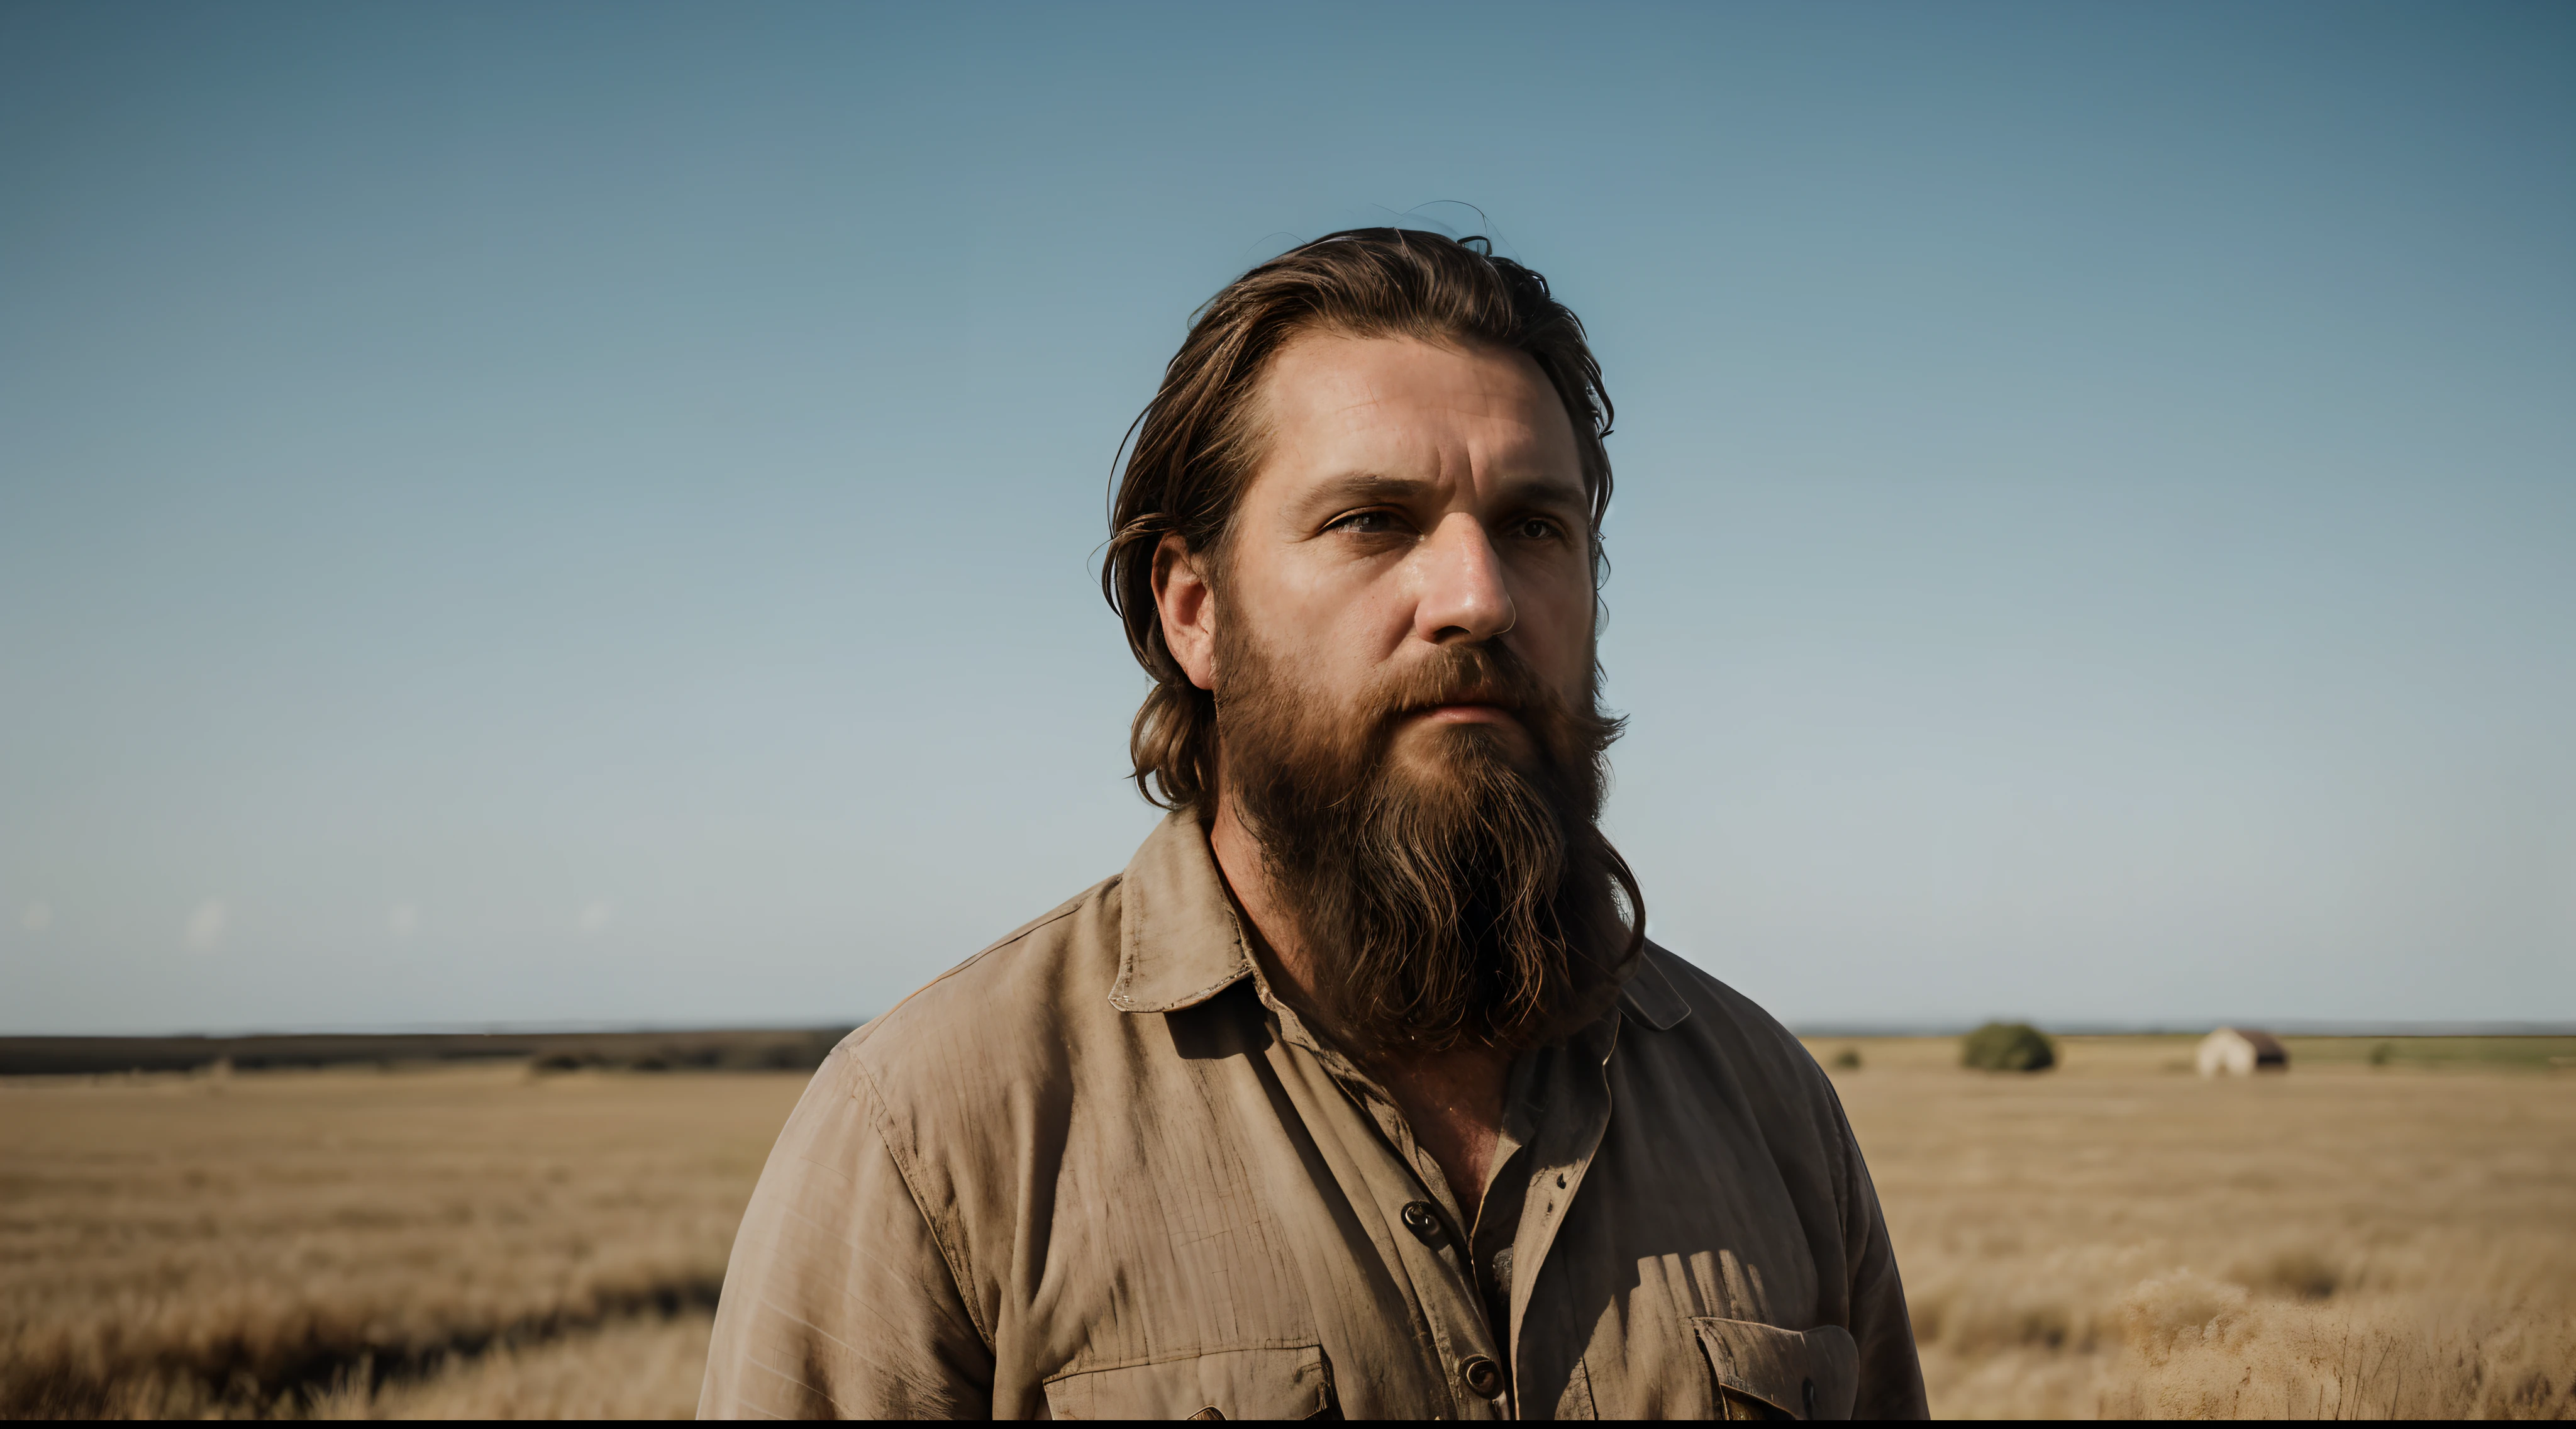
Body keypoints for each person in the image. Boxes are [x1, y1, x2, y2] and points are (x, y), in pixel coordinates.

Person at [699, 229, 1926, 1420]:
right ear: (1193, 610)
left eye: (1534, 527)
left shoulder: (1768, 1107)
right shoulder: (934, 1135)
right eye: (1371, 520)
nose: (1480, 598)